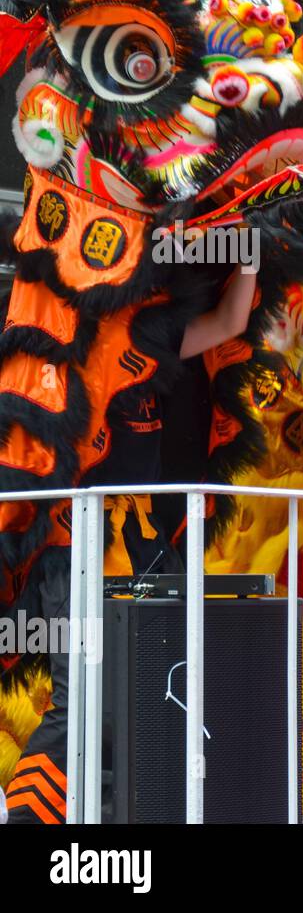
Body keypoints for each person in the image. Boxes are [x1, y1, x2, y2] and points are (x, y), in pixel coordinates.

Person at [3, 269, 257, 825]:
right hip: (74, 545)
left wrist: (250, 253)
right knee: (82, 703)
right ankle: (26, 819)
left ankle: (122, 823)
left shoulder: (154, 335)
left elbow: (230, 321)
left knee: (152, 692)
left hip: (141, 542)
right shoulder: (63, 351)